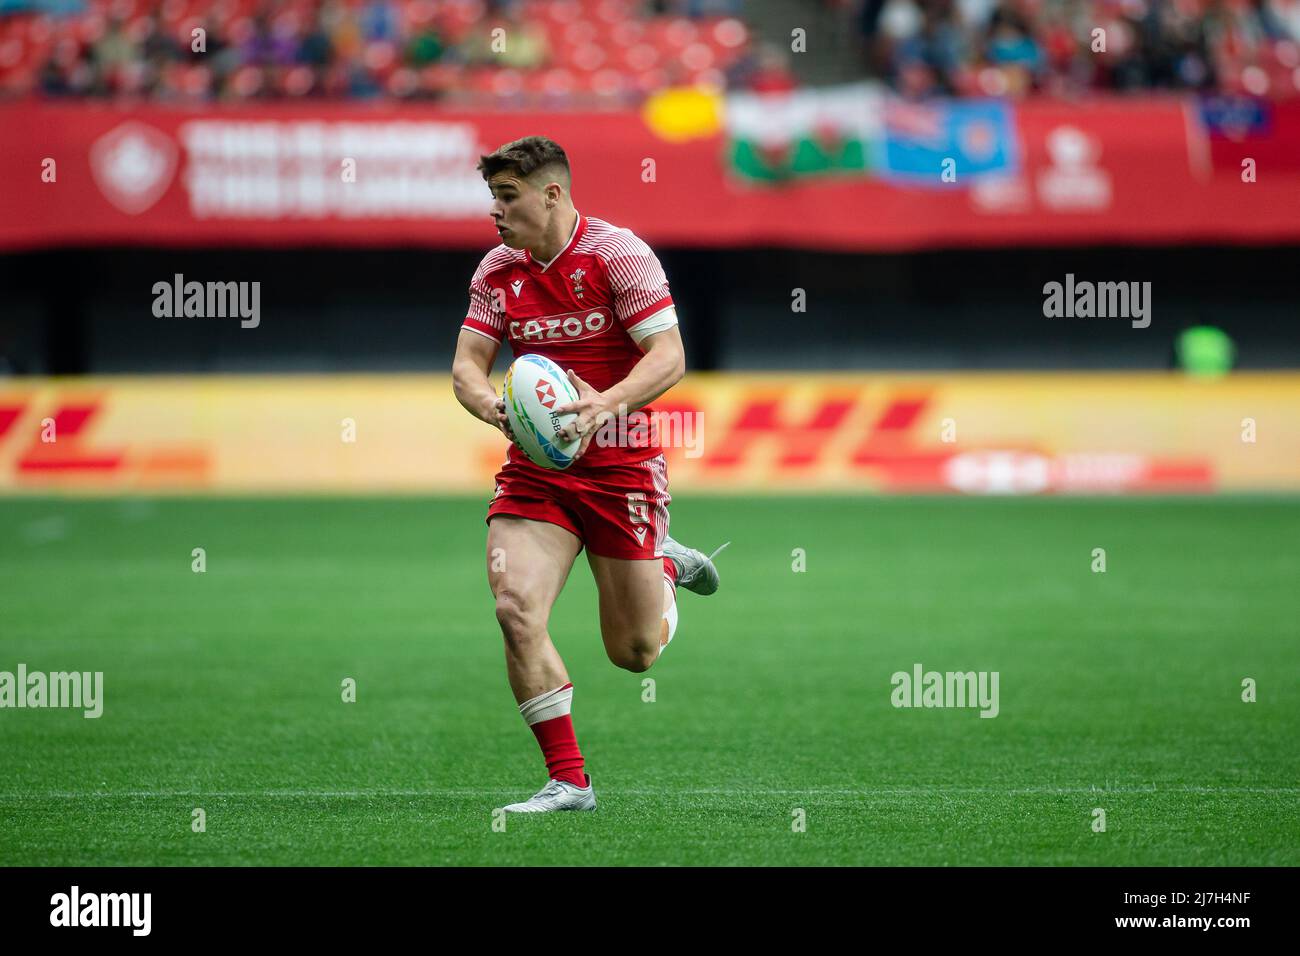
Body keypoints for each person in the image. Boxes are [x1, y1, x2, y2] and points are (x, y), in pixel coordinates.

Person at [451, 136, 728, 813]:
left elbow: (669, 357)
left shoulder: (618, 255)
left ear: (551, 194)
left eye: (507, 196)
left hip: (621, 465)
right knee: (515, 610)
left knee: (633, 653)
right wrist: (496, 409)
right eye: (492, 197)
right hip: (537, 473)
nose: (495, 211)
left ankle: (664, 568)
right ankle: (569, 782)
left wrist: (604, 403)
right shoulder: (497, 269)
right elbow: (466, 366)